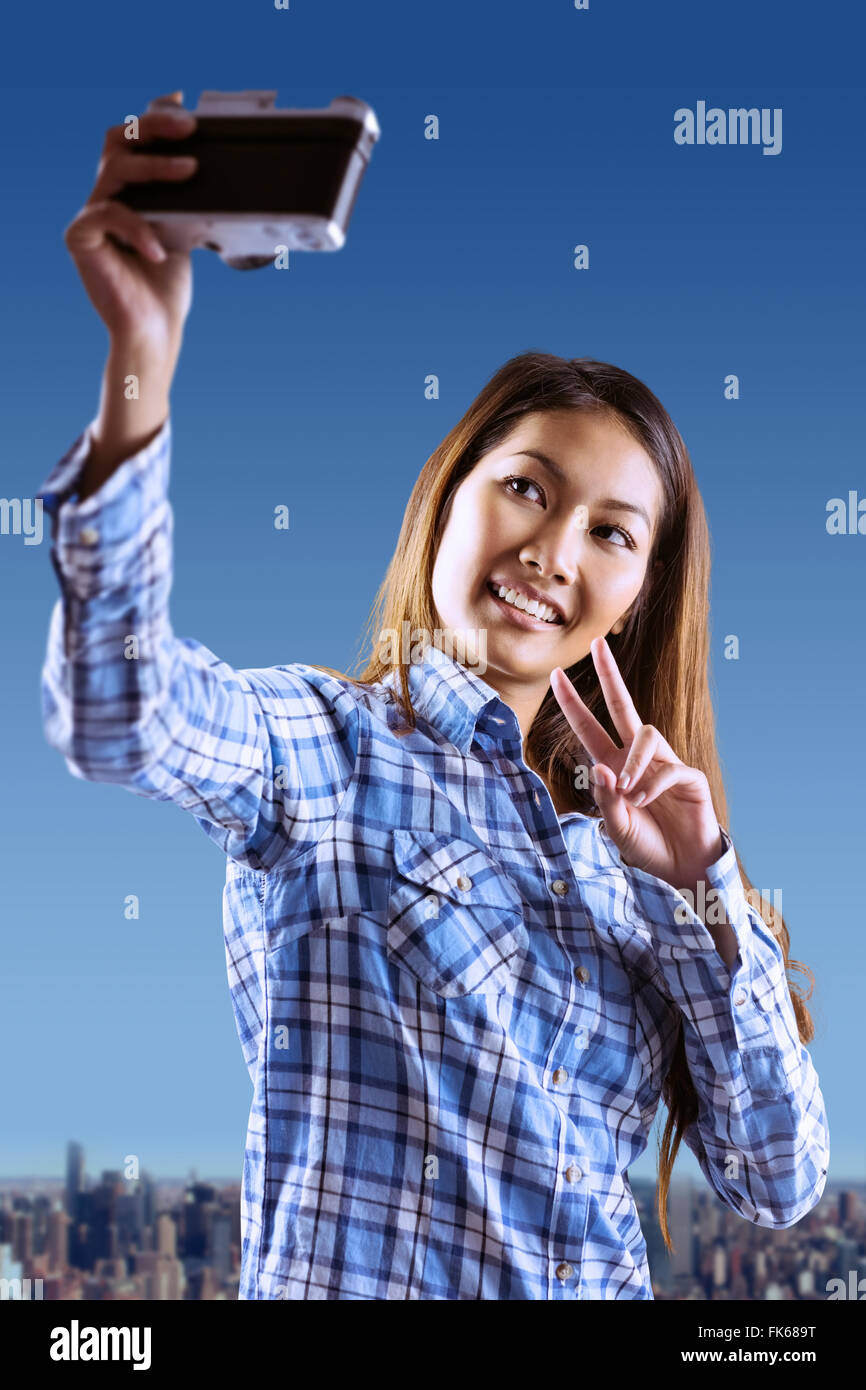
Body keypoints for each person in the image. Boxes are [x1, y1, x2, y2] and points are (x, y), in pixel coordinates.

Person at [36, 91, 829, 1301]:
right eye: (525, 487)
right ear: (447, 495)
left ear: (641, 591)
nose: (553, 550)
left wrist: (699, 886)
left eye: (610, 532)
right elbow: (115, 708)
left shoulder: (641, 875)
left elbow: (776, 1180)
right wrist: (137, 365)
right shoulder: (320, 753)